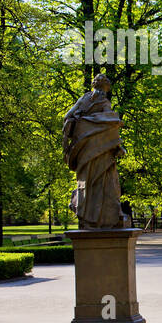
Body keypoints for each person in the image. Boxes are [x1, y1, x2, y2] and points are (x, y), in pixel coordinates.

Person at [62, 73, 129, 229]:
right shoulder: (104, 102)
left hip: (83, 150)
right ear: (105, 88)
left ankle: (87, 216)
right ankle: (103, 218)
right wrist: (117, 145)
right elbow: (110, 124)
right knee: (105, 182)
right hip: (101, 151)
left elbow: (67, 117)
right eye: (106, 88)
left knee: (87, 183)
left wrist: (80, 125)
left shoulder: (84, 99)